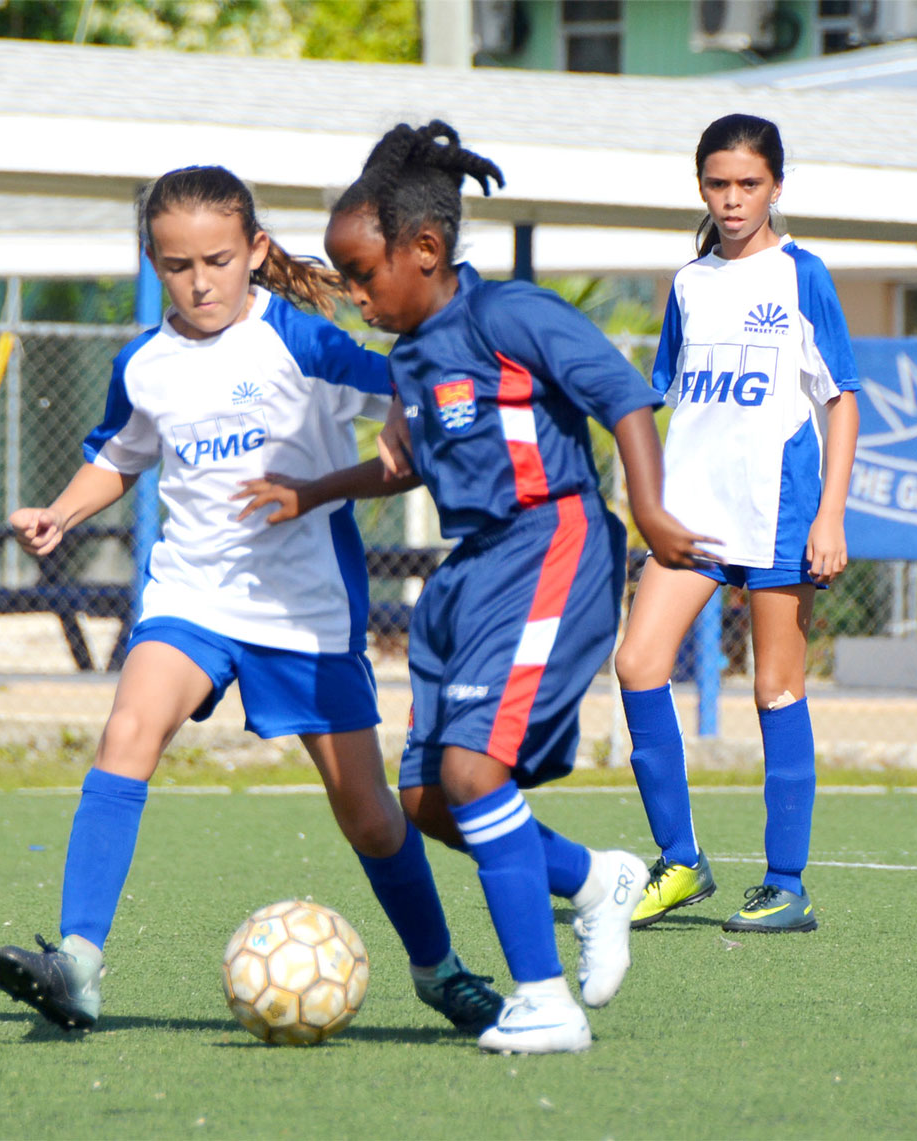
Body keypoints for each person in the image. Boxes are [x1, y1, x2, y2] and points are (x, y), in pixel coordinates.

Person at [0, 165, 502, 1036]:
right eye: (176, 264)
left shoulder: (298, 342)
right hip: (192, 595)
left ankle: (437, 969)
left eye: (218, 260)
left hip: (304, 611)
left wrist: (436, 405)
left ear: (256, 251)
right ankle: (76, 961)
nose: (199, 282)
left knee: (371, 816)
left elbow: (403, 384)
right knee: (128, 731)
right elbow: (118, 453)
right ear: (154, 263)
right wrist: (61, 511)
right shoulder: (145, 363)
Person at [236, 121, 712, 1054]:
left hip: (551, 543)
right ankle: (592, 879)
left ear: (426, 248)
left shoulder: (511, 318)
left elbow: (623, 395)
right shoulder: (414, 355)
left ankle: (544, 1000)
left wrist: (651, 510)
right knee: (428, 802)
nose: (358, 295)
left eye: (365, 274)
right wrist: (313, 489)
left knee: (473, 771)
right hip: (469, 573)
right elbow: (406, 464)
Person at [615, 113, 860, 935]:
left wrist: (830, 513)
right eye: (717, 183)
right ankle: (681, 862)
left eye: (748, 183)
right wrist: (647, 502)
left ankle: (786, 883)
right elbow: (669, 400)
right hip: (691, 515)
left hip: (780, 509)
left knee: (775, 688)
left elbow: (842, 398)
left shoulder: (803, 274)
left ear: (776, 187)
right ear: (701, 187)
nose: (731, 198)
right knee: (638, 662)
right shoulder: (688, 283)